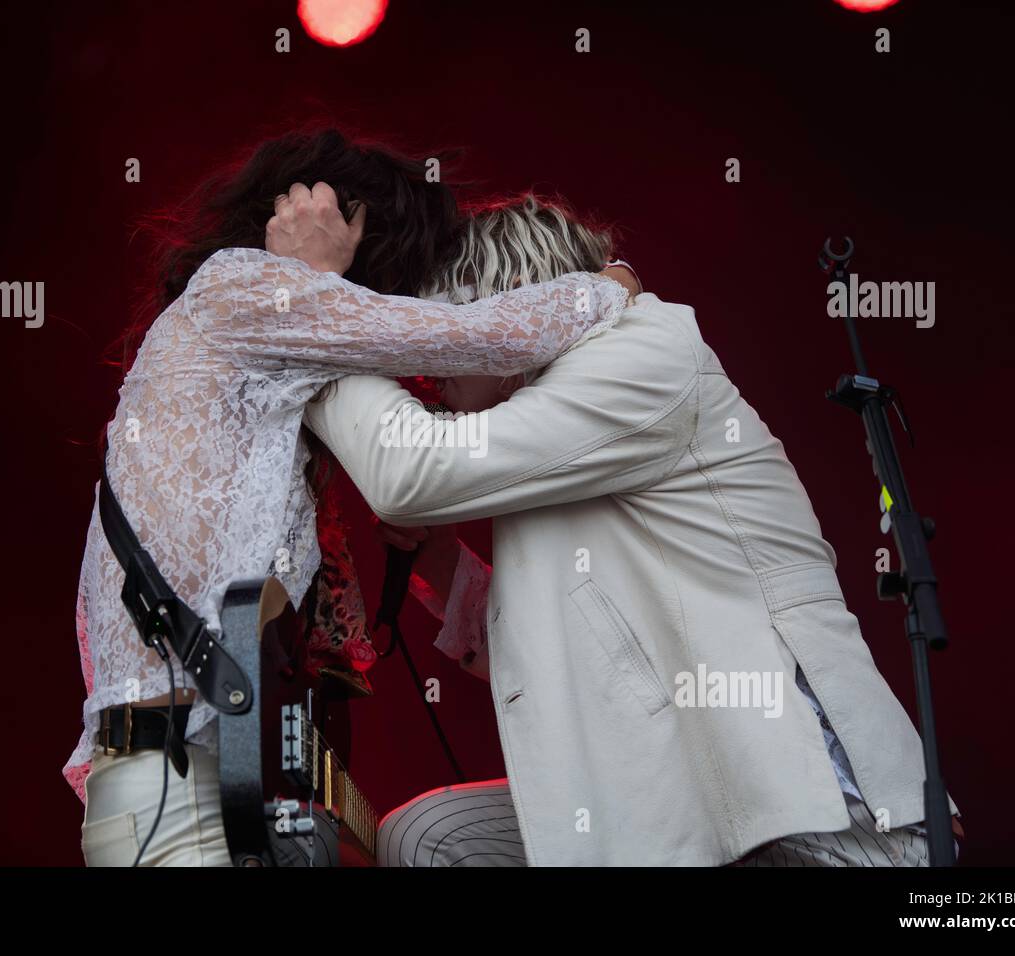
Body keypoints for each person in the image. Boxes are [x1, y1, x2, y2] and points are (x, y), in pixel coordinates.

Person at [302, 193, 964, 866]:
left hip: (810, 807)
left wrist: (310, 320)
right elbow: (573, 657)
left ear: (504, 306)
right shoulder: (553, 434)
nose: (424, 368)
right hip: (684, 805)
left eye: (441, 334)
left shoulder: (644, 349)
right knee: (431, 840)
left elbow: (413, 470)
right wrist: (441, 560)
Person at [67, 129, 636, 866]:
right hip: (178, 793)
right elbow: (478, 336)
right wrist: (611, 285)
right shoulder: (240, 285)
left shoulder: (267, 395)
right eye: (392, 280)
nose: (387, 306)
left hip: (208, 782)